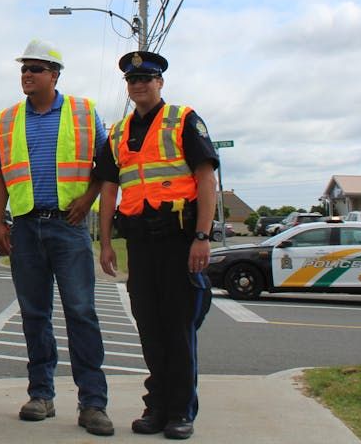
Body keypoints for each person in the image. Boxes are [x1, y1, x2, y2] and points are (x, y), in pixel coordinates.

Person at [0, 39, 114, 437]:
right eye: (24, 68)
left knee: (80, 311)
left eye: (36, 69)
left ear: (55, 75)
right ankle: (40, 395)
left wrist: (89, 199)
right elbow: (0, 175)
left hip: (69, 227)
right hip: (26, 227)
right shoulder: (7, 119)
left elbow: (105, 166)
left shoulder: (82, 111)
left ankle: (92, 403)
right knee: (34, 314)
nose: (27, 74)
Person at [96, 51, 218, 441]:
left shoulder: (183, 120)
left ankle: (181, 410)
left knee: (178, 329)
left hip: (180, 240)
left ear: (160, 82)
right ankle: (157, 407)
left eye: (147, 78)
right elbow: (109, 189)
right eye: (133, 81)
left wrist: (202, 236)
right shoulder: (116, 133)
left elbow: (205, 179)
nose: (139, 85)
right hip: (139, 243)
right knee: (149, 327)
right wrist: (104, 243)